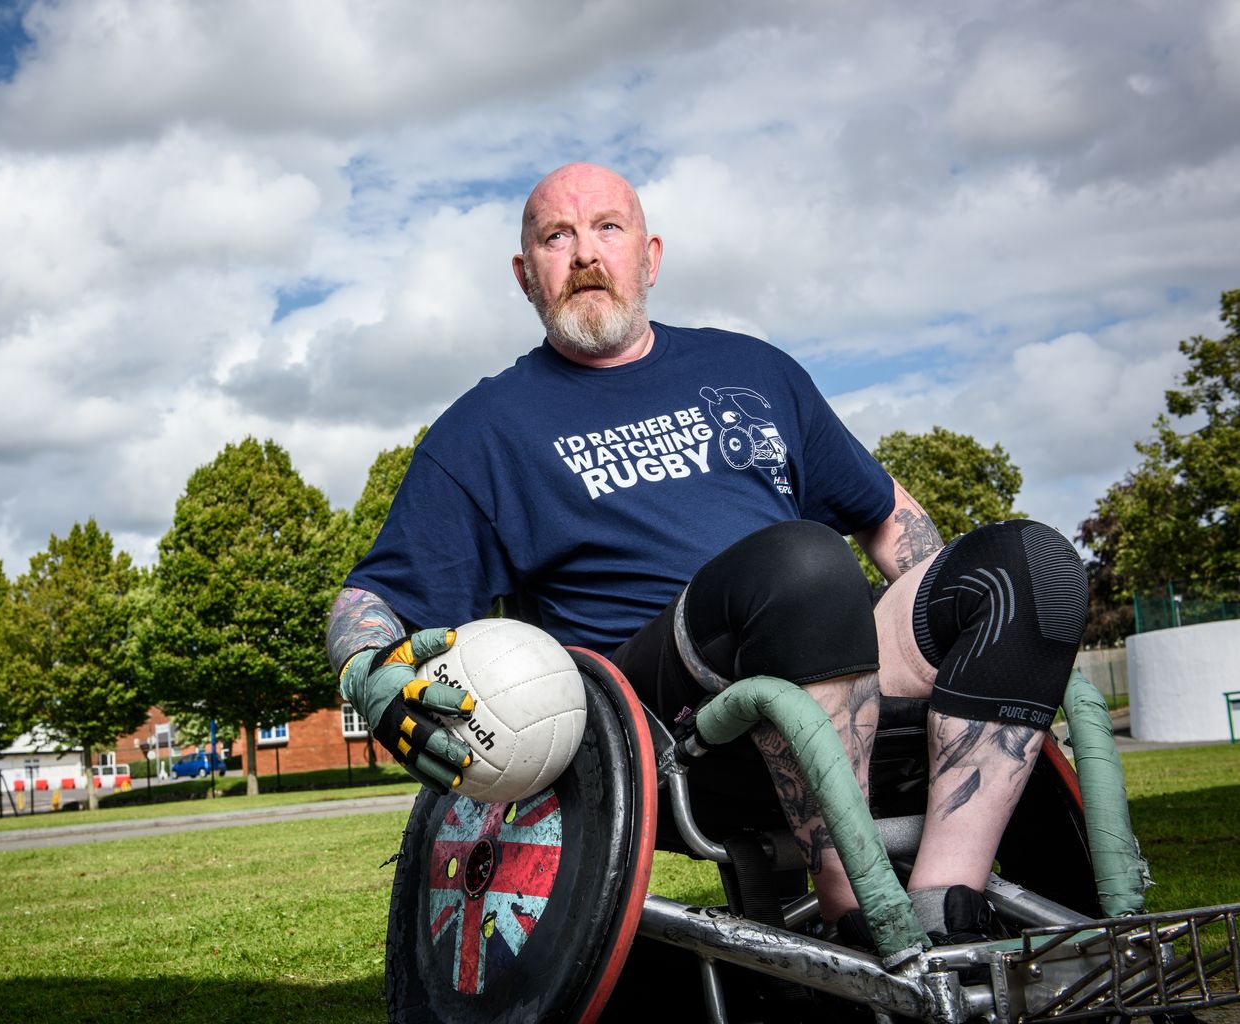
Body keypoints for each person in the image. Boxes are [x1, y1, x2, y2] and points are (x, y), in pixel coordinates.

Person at [327, 162, 1088, 947]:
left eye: (608, 228)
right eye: (558, 236)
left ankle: (946, 901)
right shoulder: (483, 431)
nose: (586, 253)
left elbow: (890, 518)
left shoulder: (753, 371)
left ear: (650, 257)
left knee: (1031, 564)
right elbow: (374, 599)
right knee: (801, 564)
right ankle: (851, 911)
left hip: (830, 649)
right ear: (526, 276)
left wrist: (971, 637)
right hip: (669, 717)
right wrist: (366, 669)